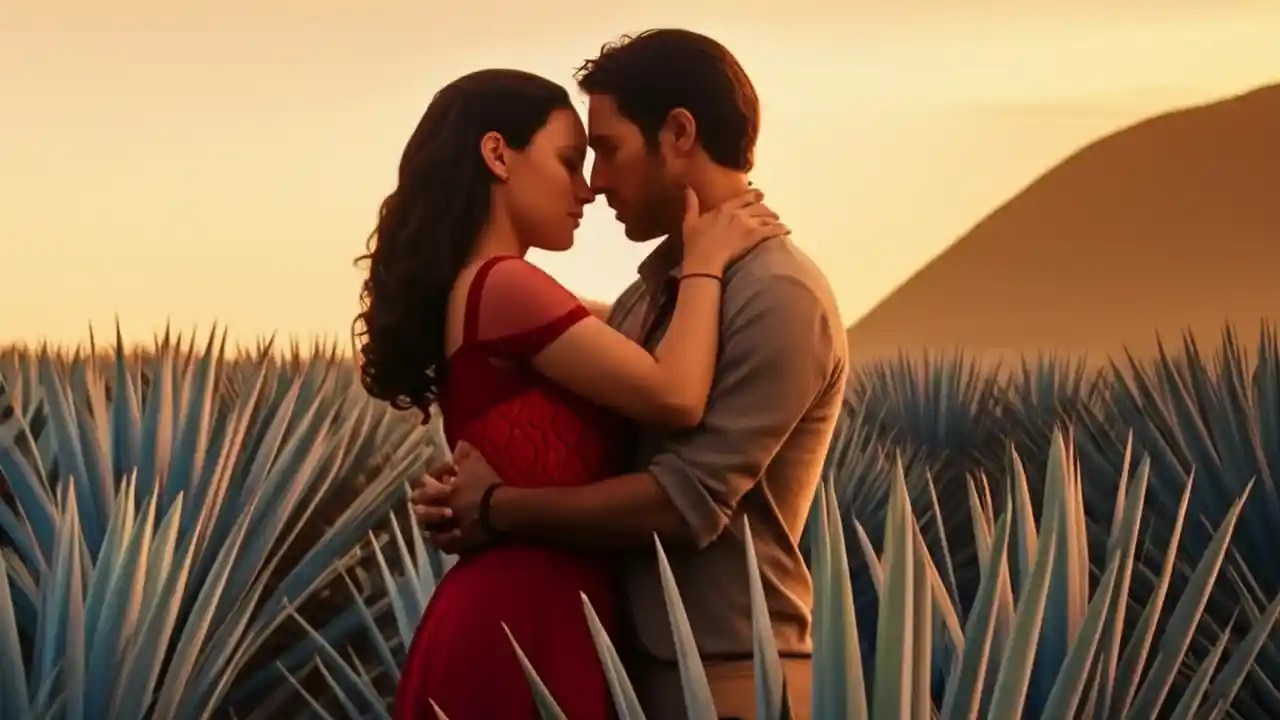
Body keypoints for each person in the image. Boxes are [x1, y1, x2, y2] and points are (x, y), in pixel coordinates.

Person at [411, 30, 849, 720]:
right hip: (621, 663)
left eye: (607, 151)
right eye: (578, 160)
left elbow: (686, 501)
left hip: (726, 671)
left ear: (678, 134)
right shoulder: (652, 295)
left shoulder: (777, 294)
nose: (598, 182)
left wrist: (498, 507)